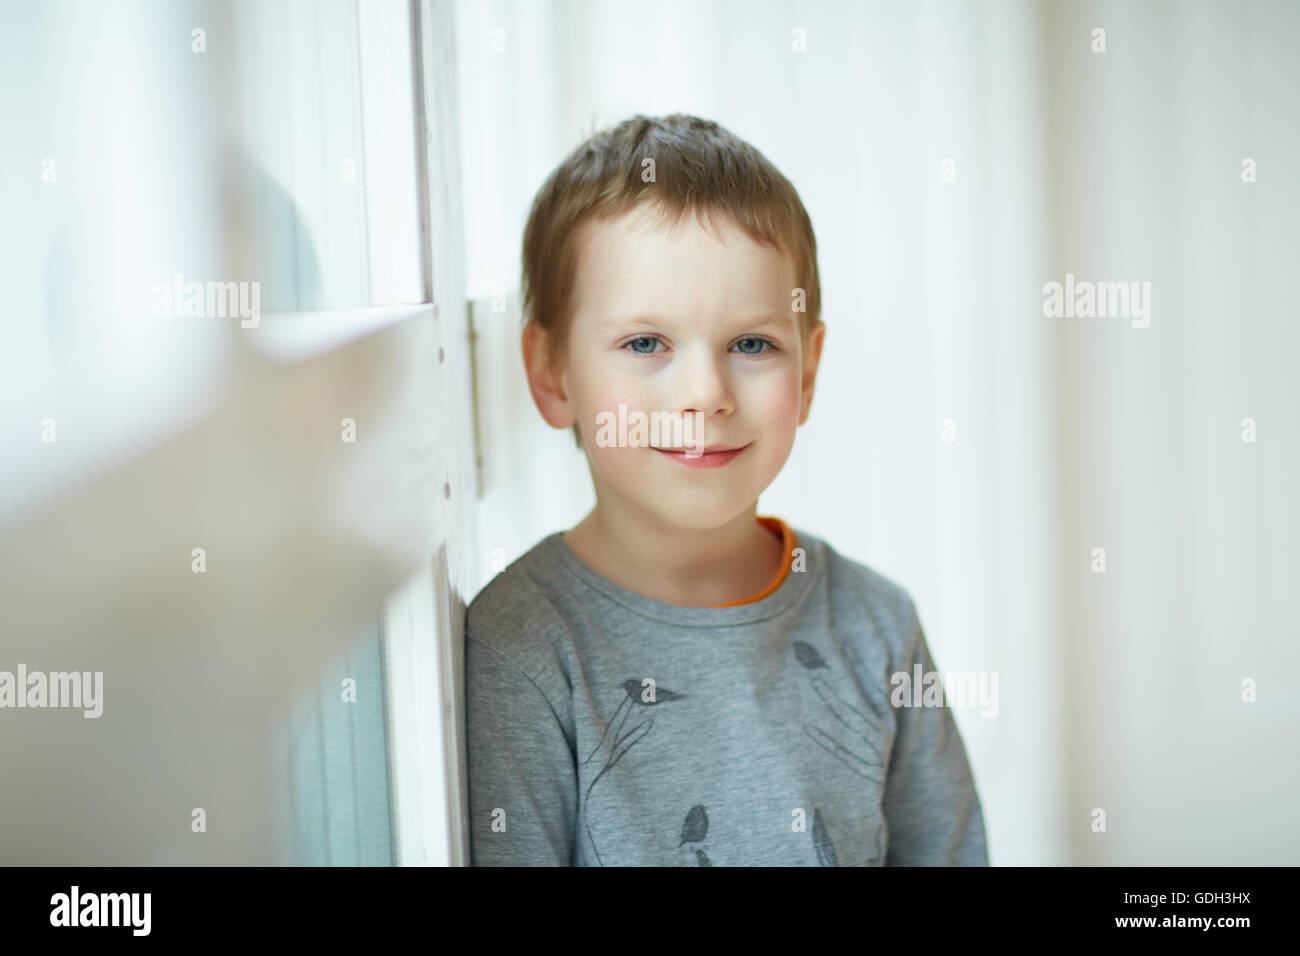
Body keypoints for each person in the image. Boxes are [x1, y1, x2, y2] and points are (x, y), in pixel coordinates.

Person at [464, 113, 988, 866]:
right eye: (646, 343)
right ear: (551, 374)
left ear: (806, 374)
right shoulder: (520, 649)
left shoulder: (877, 629)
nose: (705, 395)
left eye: (752, 344)